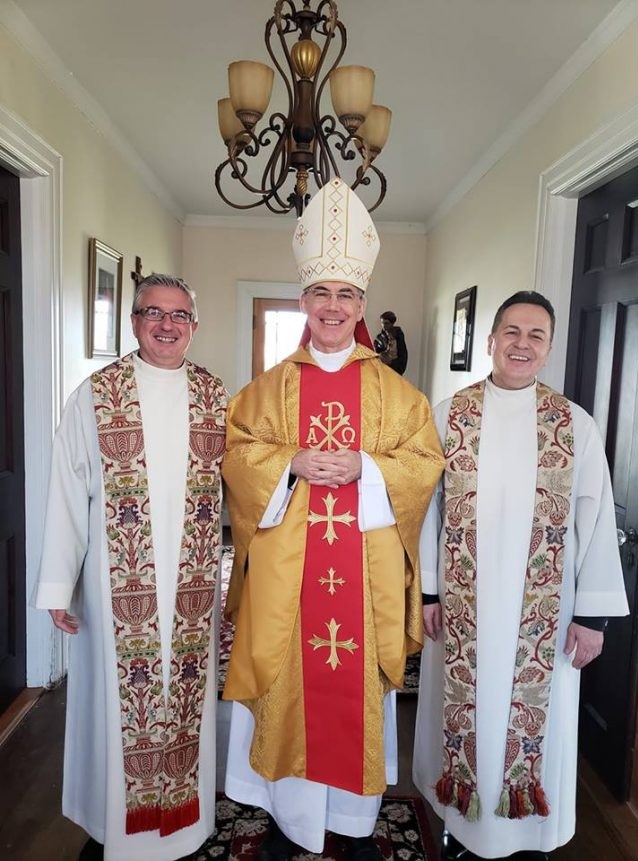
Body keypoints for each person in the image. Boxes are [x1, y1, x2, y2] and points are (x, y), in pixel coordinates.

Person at [221, 178, 445, 860]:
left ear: (362, 305)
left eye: (346, 294)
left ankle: (349, 826)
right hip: (289, 580)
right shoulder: (264, 389)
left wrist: (367, 469)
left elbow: (425, 460)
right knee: (286, 682)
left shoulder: (398, 393)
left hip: (363, 580)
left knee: (354, 699)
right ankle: (290, 822)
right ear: (303, 300)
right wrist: (289, 463)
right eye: (321, 293)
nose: (333, 306)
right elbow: (237, 454)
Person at [412, 291, 629, 861]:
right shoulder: (449, 414)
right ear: (491, 340)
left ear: (549, 347)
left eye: (535, 335)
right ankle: (460, 826)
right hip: (462, 609)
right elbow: (427, 509)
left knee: (536, 724)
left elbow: (597, 517)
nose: (522, 344)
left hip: (546, 616)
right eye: (511, 331)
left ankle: (526, 832)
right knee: (463, 723)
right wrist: (429, 592)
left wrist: (591, 617)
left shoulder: (572, 425)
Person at [35, 273, 228, 861]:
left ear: (194, 326)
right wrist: (56, 585)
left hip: (194, 584)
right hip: (116, 588)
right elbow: (68, 492)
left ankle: (187, 827)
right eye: (154, 313)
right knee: (119, 711)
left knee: (189, 705)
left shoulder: (215, 397)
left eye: (179, 316)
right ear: (134, 320)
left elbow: (246, 487)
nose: (167, 326)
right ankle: (116, 830)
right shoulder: (96, 396)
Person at [374, 310, 408, 375]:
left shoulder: (398, 337)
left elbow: (403, 356)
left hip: (394, 370)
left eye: (386, 323)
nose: (384, 326)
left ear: (392, 323)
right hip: (383, 371)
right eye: (382, 323)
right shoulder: (379, 338)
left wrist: (392, 362)